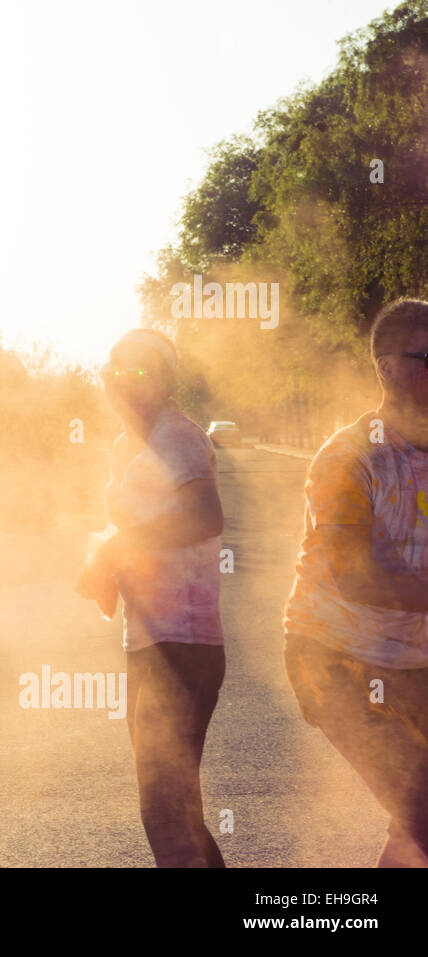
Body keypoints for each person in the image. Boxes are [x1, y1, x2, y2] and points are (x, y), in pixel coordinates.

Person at [283, 298, 428, 867]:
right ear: (386, 368)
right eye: (425, 356)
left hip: (414, 661)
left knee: (412, 827)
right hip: (335, 659)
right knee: (421, 811)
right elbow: (355, 576)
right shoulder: (349, 456)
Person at [75, 328, 226, 867]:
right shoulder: (126, 446)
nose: (128, 379)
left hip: (182, 642)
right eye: (117, 367)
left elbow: (206, 516)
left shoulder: (177, 437)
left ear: (166, 380)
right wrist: (102, 563)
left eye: (144, 369)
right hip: (145, 639)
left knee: (165, 811)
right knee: (174, 809)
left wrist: (120, 548)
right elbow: (139, 531)